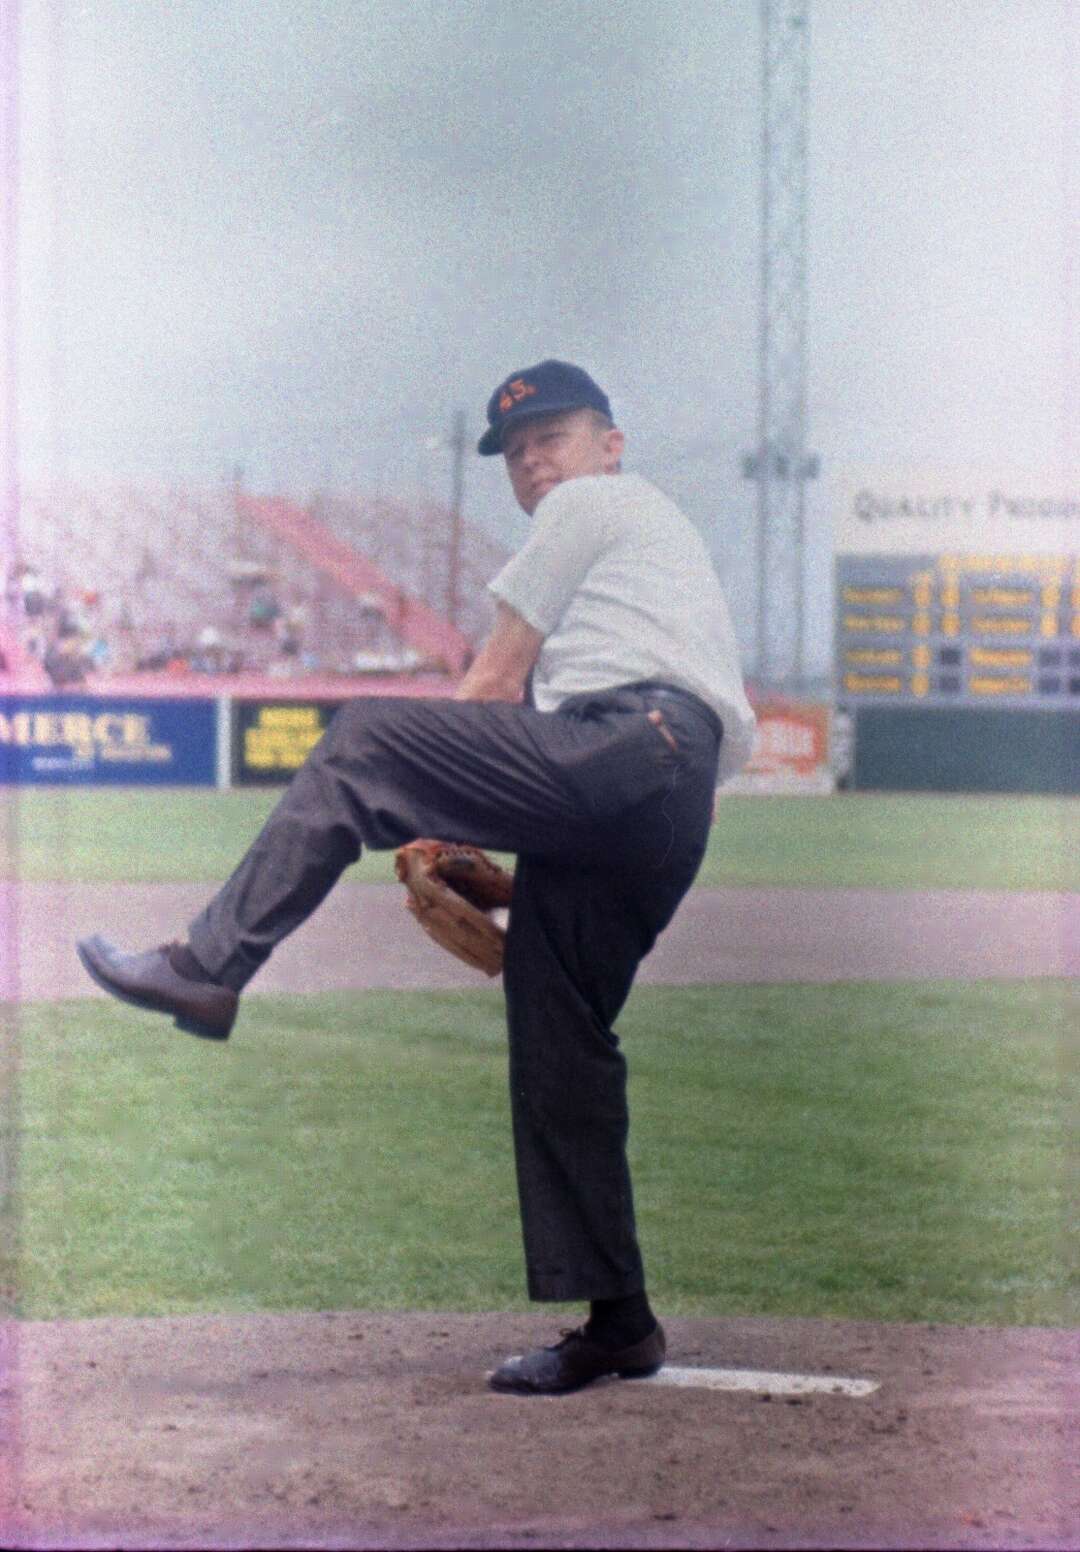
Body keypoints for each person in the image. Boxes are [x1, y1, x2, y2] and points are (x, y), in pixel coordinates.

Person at [76, 359, 756, 1396]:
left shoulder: (594, 507)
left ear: (610, 445)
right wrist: (511, 877)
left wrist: (425, 821)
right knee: (558, 1022)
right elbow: (599, 760)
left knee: (364, 741)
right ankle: (620, 1321)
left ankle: (207, 963)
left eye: (554, 436)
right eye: (518, 451)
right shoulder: (648, 547)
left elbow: (489, 684)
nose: (534, 461)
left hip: (635, 741)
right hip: (667, 796)